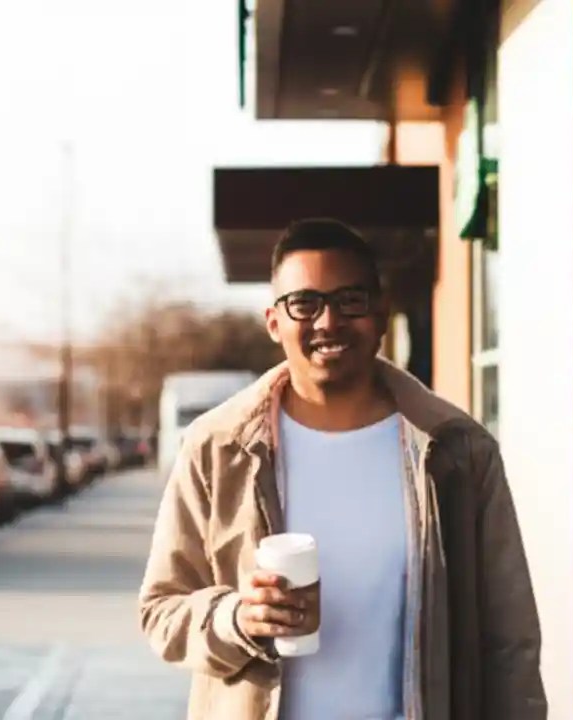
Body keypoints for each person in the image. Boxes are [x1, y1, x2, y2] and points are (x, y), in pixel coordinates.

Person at [139, 218, 545, 719]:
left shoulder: (457, 452)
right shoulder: (217, 448)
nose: (328, 322)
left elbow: (510, 641)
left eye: (349, 300)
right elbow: (161, 608)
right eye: (304, 303)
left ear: (379, 313)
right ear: (274, 321)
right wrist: (238, 617)